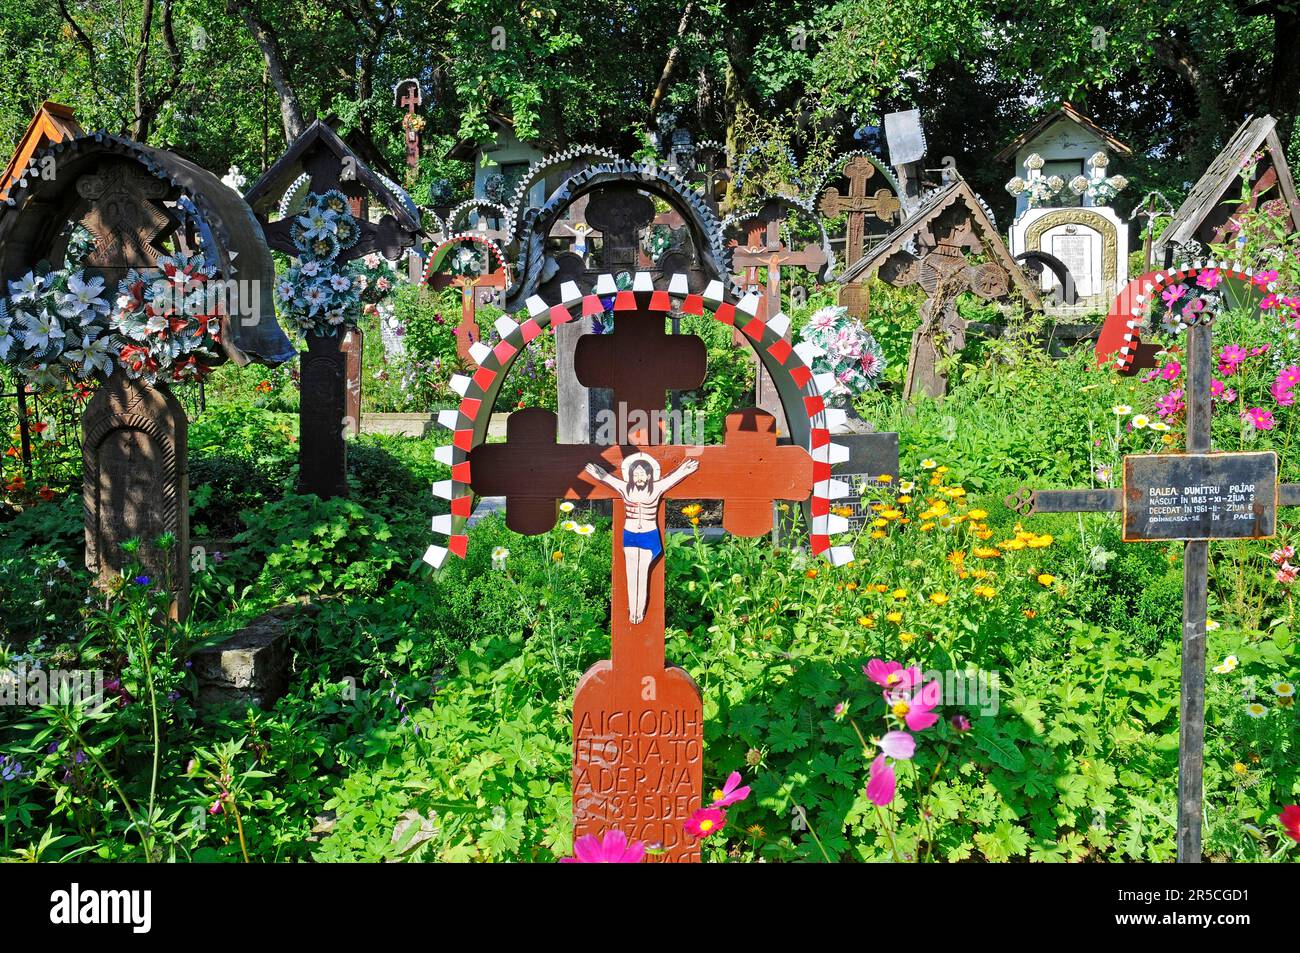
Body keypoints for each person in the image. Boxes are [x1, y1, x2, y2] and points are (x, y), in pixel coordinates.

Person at [584, 452, 699, 624]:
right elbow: (607, 478)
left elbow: (674, 477)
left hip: (649, 534)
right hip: (630, 535)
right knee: (632, 573)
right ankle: (633, 612)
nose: (639, 477)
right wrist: (597, 472)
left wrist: (685, 469)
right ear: (630, 475)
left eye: (642, 473)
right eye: (635, 473)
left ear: (649, 474)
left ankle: (640, 611)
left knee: (642, 574)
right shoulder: (625, 489)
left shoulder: (657, 488)